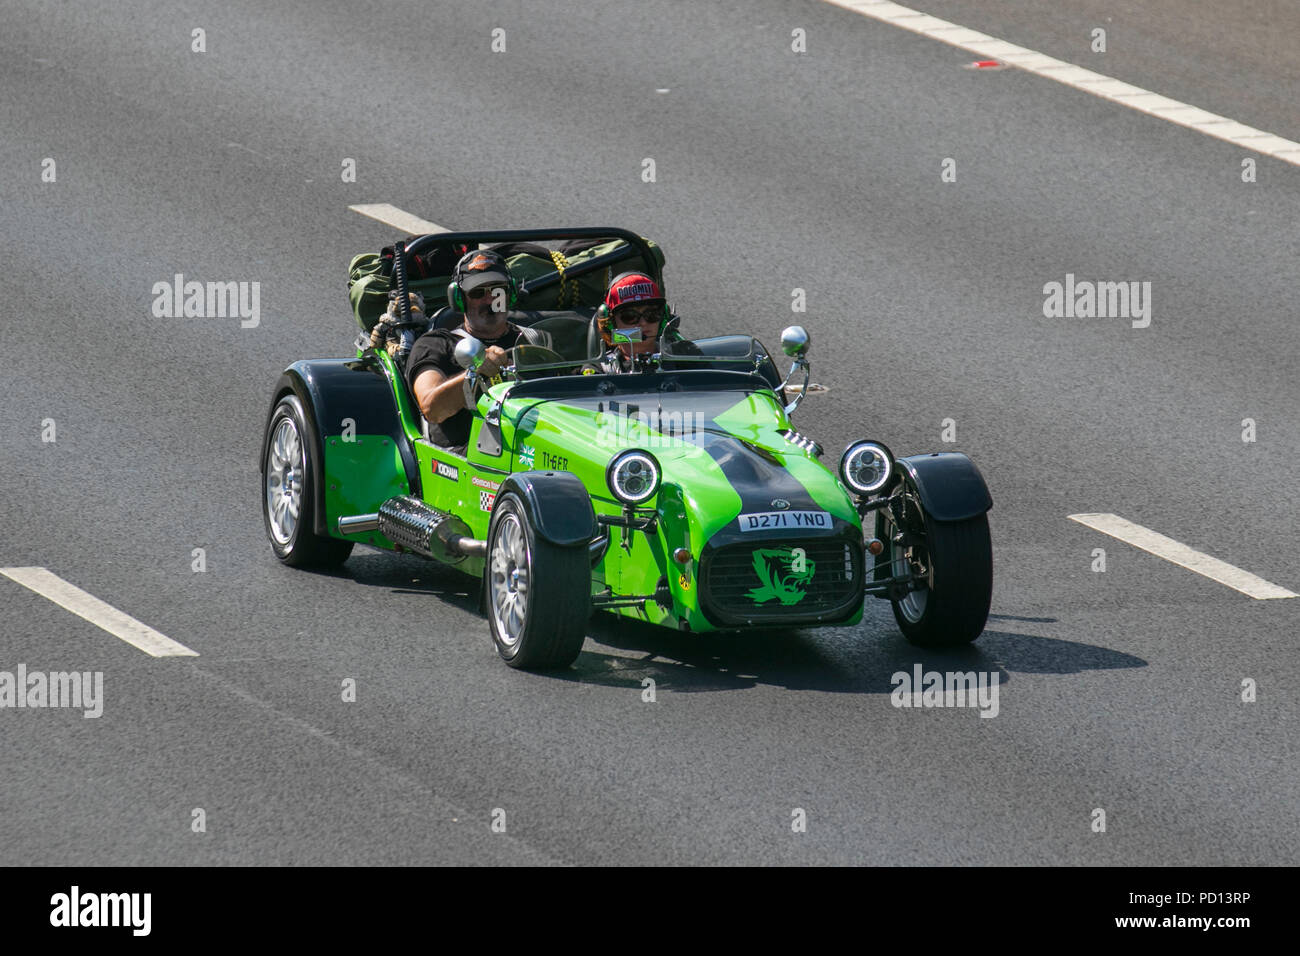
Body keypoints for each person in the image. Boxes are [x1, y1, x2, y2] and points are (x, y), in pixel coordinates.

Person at [405, 249, 528, 451]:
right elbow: (432, 408)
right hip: (468, 463)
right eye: (478, 293)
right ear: (459, 299)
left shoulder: (535, 341)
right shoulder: (435, 344)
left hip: (532, 447)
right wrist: (476, 372)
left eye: (497, 290)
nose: (489, 300)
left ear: (510, 294)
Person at [586, 271, 683, 373]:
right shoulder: (596, 371)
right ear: (611, 323)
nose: (643, 323)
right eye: (630, 316)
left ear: (663, 318)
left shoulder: (685, 356)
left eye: (651, 314)